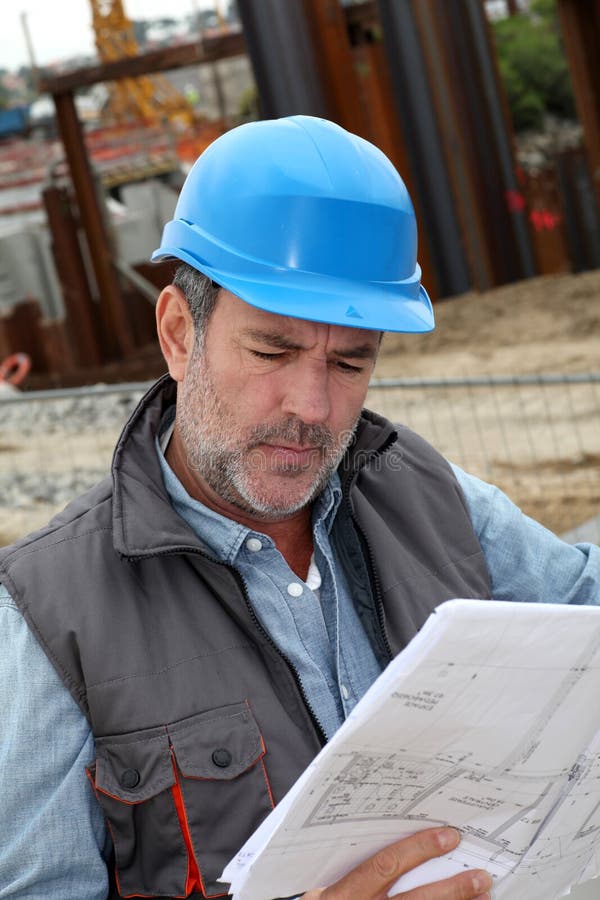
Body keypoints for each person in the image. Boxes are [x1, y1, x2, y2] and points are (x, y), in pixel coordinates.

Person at [0, 115, 598, 900]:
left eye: (350, 362)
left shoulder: (436, 501)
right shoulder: (50, 613)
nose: (313, 407)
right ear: (181, 334)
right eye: (272, 352)